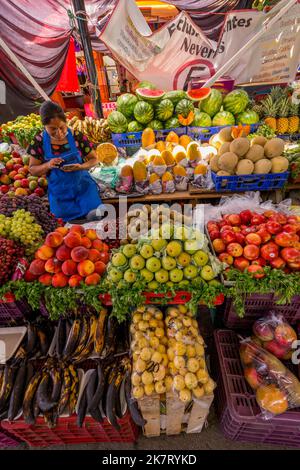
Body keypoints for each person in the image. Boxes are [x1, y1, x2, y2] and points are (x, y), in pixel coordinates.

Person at [28, 101, 102, 223]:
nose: (59, 133)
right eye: (52, 129)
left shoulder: (77, 136)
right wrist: (48, 165)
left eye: (62, 127)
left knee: (95, 218)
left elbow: (95, 159)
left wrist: (81, 166)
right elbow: (33, 170)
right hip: (60, 195)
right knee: (65, 226)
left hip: (84, 190)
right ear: (44, 125)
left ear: (66, 121)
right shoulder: (38, 142)